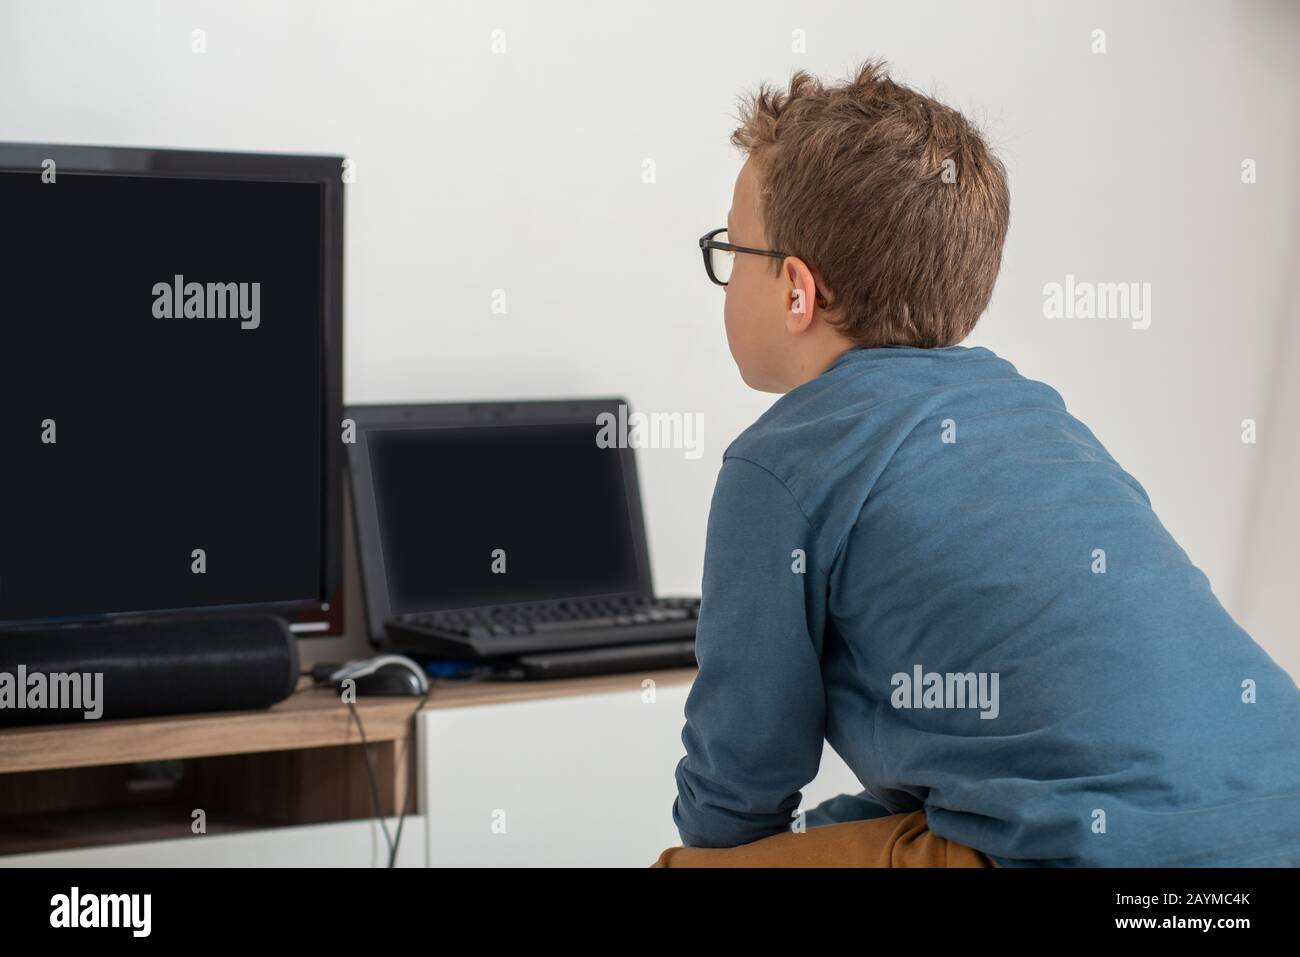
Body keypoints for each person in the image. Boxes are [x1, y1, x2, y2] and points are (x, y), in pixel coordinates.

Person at [656, 61, 1300, 868]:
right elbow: (1005, 749)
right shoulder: (1037, 414)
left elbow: (738, 790)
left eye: (733, 248)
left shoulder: (779, 463)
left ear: (795, 288)